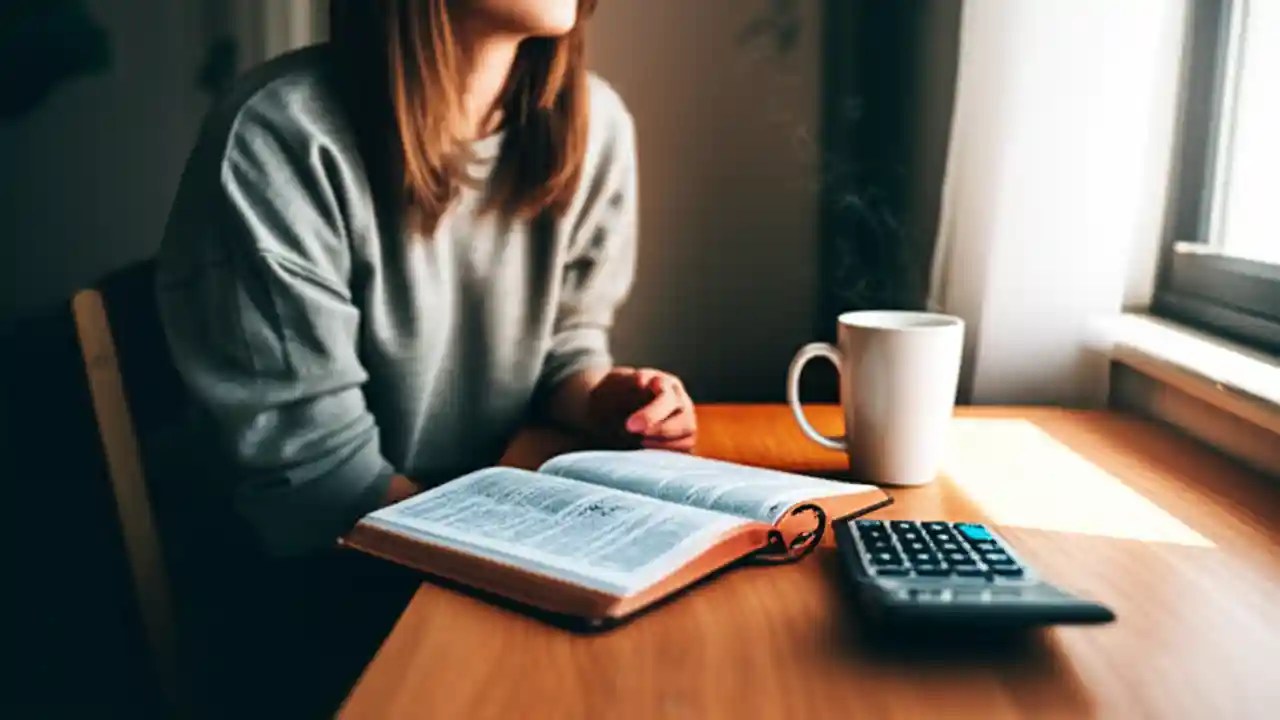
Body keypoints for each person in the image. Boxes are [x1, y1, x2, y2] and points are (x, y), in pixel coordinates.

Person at [155, 0, 694, 715]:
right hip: (319, 603)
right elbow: (322, 483)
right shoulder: (280, 137)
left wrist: (601, 396)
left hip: (472, 558)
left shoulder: (598, 126)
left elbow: (565, 343)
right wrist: (540, 564)